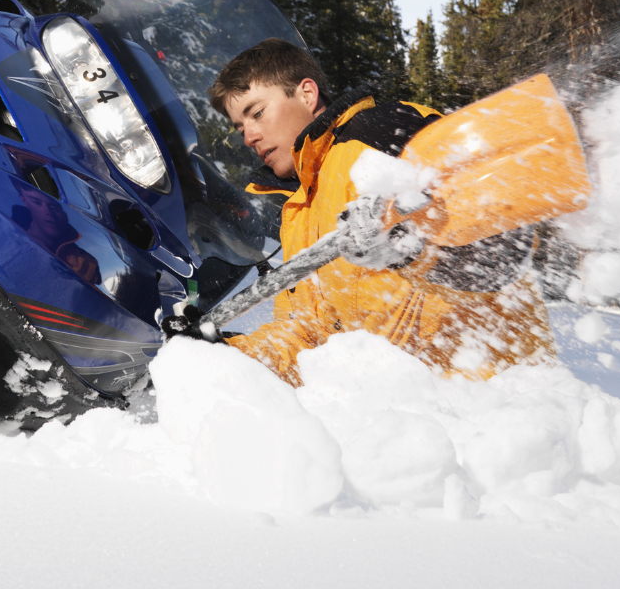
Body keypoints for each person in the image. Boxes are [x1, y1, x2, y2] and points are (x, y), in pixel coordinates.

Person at [200, 37, 555, 385]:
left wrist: (411, 249)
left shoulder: (384, 134)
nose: (249, 137)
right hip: (398, 409)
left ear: (307, 94)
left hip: (491, 395)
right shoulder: (301, 208)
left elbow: (508, 241)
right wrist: (222, 354)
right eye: (240, 127)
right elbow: (310, 337)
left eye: (257, 113)